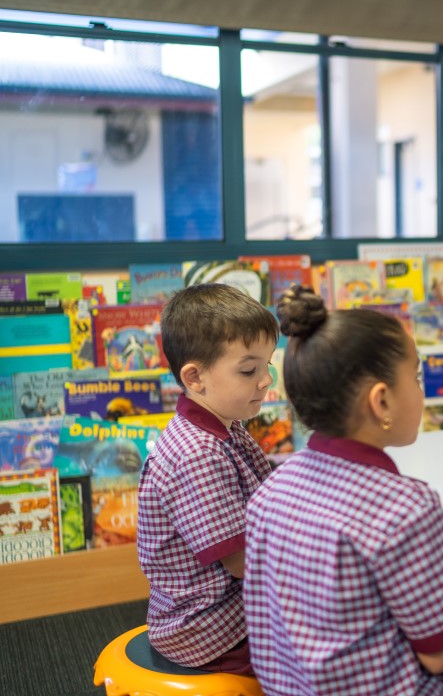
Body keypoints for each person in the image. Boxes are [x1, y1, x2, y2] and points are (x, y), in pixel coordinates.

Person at [243, 285, 443, 695]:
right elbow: (441, 653)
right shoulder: (406, 506)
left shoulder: (270, 491)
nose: (421, 390)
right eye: (414, 377)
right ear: (381, 402)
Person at [137, 283, 280, 673]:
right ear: (195, 378)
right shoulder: (197, 454)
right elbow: (242, 561)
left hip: (223, 609)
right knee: (338, 639)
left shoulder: (222, 424)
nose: (266, 380)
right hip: (211, 629)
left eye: (268, 364)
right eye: (250, 370)